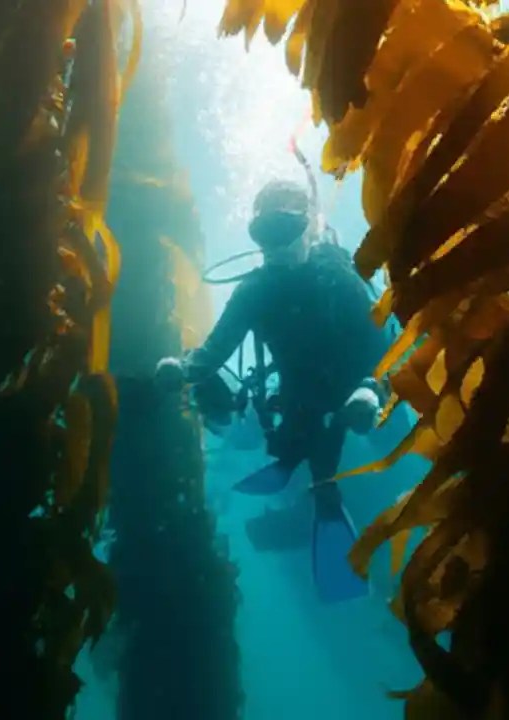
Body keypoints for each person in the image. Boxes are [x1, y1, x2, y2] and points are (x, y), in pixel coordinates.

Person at [154, 179, 397, 603]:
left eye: (286, 231)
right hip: (300, 394)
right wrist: (186, 369)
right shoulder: (255, 290)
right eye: (265, 235)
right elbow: (215, 348)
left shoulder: (337, 278)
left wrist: (371, 390)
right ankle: (314, 486)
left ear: (310, 229)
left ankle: (321, 486)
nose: (277, 247)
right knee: (299, 448)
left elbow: (381, 349)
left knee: (348, 443)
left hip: (352, 387)